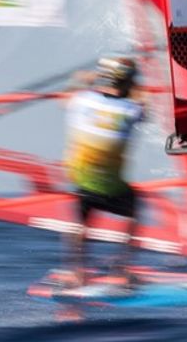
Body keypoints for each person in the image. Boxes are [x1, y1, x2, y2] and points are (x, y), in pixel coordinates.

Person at [62, 56, 145, 286]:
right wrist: (136, 86)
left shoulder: (81, 100)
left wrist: (80, 80)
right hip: (110, 184)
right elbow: (144, 108)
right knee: (134, 208)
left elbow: (65, 100)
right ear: (127, 83)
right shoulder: (130, 110)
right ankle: (121, 267)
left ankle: (76, 272)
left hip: (80, 178)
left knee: (81, 223)